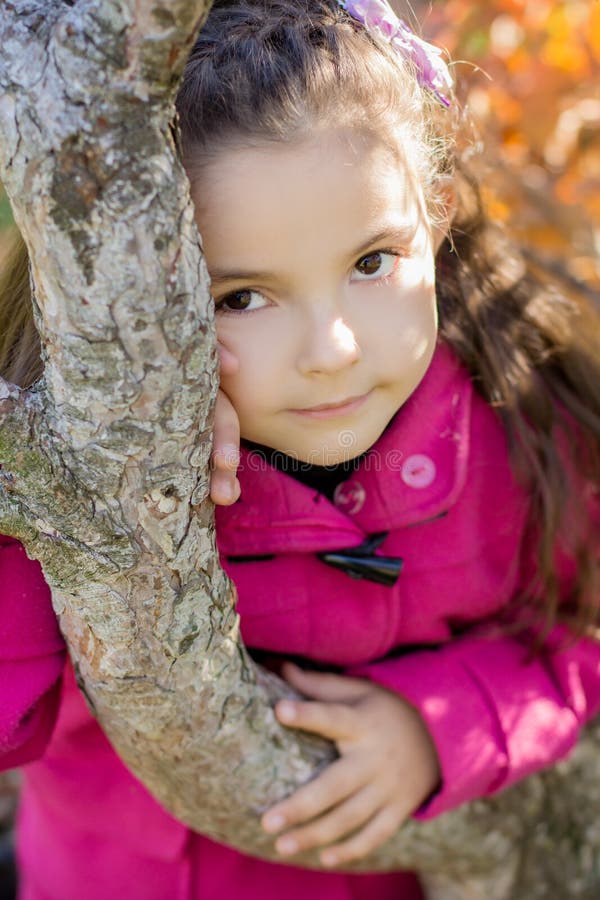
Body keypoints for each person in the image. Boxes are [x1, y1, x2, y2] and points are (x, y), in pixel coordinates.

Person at [0, 1, 599, 898]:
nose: (334, 351)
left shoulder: (519, 425)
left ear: (432, 217)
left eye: (371, 263)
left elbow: (574, 641)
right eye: (240, 298)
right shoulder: (73, 442)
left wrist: (440, 723)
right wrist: (115, 460)